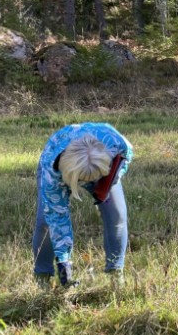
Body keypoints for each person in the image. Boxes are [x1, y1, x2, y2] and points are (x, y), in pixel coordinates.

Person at [33, 122, 133, 290]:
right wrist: (64, 262)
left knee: (117, 215)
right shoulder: (52, 172)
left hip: (100, 169)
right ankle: (42, 276)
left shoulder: (115, 143)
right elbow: (57, 219)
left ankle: (115, 273)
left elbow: (127, 153)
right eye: (83, 181)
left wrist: (111, 179)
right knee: (46, 224)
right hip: (62, 170)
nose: (87, 184)